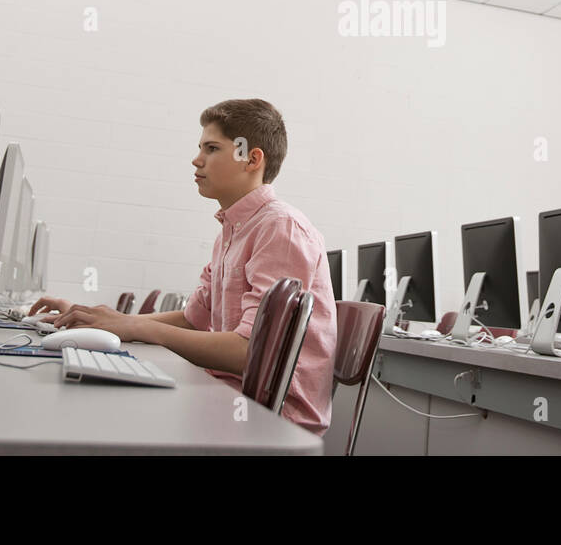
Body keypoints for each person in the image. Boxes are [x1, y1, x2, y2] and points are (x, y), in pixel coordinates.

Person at [30, 98, 337, 435]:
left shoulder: (280, 228)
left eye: (212, 148)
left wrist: (133, 328)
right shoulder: (231, 231)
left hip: (269, 422)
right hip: (229, 397)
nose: (197, 159)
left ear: (251, 158)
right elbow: (193, 319)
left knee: (95, 416)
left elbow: (248, 353)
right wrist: (103, 321)